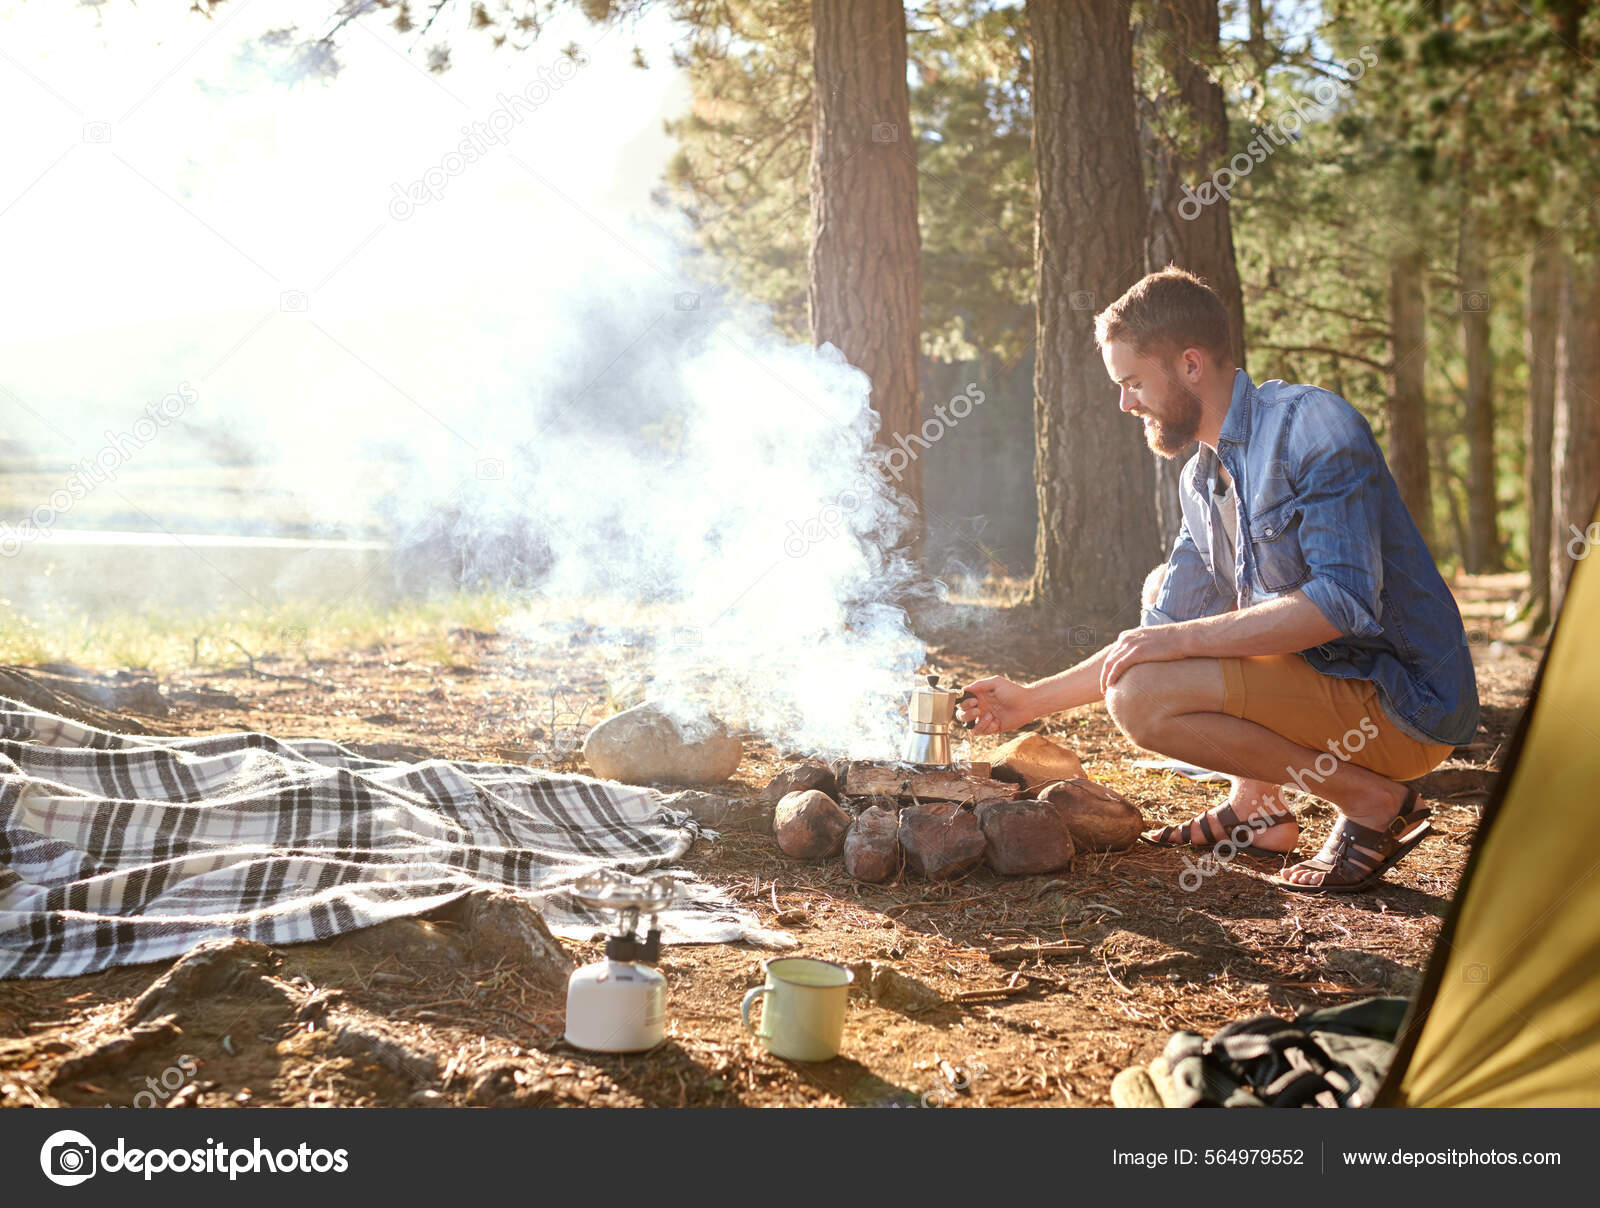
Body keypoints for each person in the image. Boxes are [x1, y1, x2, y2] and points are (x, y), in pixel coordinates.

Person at [958, 267, 1479, 893]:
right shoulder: (1201, 480)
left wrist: (1177, 641)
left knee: (1142, 696)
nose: (1126, 403)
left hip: (1403, 703)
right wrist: (1029, 701)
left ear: (1190, 365)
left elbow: (1341, 602)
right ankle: (1256, 808)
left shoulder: (1311, 424)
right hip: (1325, 687)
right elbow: (1153, 637)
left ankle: (1372, 802)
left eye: (1133, 382)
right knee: (1162, 596)